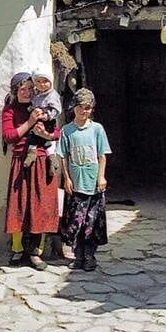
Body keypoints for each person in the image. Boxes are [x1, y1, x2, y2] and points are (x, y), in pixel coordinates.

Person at [1, 71, 59, 269]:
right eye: (22, 89)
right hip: (21, 161)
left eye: (30, 89)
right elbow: (9, 136)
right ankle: (17, 249)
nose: (26, 92)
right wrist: (30, 122)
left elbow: (57, 131)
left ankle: (36, 252)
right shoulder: (10, 110)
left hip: (41, 160)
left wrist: (47, 135)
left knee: (40, 206)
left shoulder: (42, 106)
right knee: (19, 205)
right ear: (15, 91)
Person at [57, 88, 110, 271]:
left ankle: (89, 256)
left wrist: (101, 176)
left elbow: (102, 154)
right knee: (75, 221)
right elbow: (63, 155)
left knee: (91, 222)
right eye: (80, 107)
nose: (83, 111)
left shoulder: (97, 129)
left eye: (87, 108)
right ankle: (77, 255)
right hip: (75, 183)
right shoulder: (67, 131)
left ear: (91, 109)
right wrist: (66, 179)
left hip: (93, 184)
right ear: (74, 108)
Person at [27, 69, 62, 168]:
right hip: (37, 119)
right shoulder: (36, 94)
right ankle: (32, 153)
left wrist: (46, 116)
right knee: (32, 135)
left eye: (45, 81)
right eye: (38, 81)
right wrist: (31, 109)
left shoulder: (53, 95)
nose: (41, 84)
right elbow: (33, 104)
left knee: (49, 141)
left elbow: (56, 109)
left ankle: (51, 158)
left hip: (48, 121)